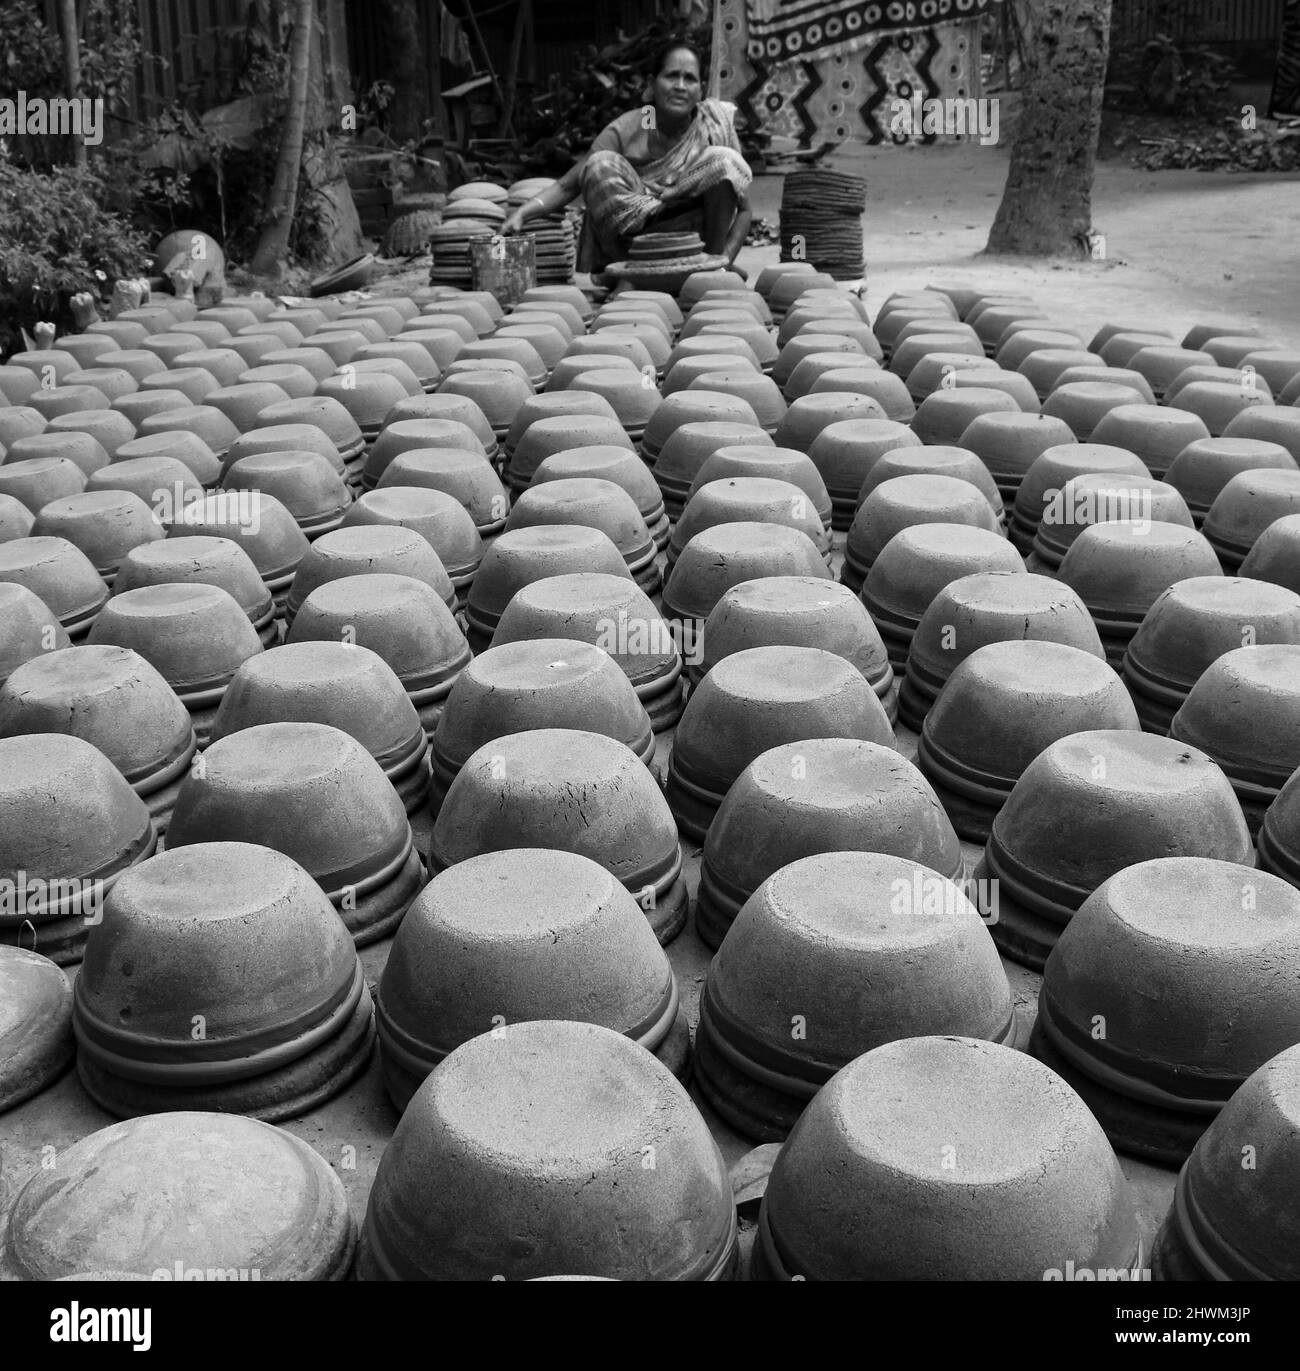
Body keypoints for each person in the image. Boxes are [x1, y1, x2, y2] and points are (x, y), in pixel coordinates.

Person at [501, 40, 753, 277]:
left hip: (697, 247)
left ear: (700, 90)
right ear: (651, 85)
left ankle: (707, 270)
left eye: (689, 78)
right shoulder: (638, 124)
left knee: (724, 160)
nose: (680, 85)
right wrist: (522, 213)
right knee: (599, 165)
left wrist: (724, 262)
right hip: (639, 242)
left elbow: (744, 211)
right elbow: (567, 185)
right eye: (671, 76)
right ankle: (628, 272)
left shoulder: (712, 125)